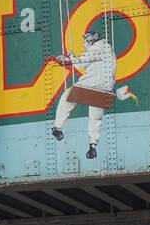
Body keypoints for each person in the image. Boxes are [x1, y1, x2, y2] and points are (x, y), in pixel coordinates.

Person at [52, 29, 138, 160]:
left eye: (87, 37)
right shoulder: (110, 51)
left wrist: (70, 56)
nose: (85, 40)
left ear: (95, 37)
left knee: (66, 99)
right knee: (95, 118)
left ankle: (57, 128)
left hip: (89, 86)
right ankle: (92, 146)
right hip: (104, 90)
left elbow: (81, 63)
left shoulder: (97, 48)